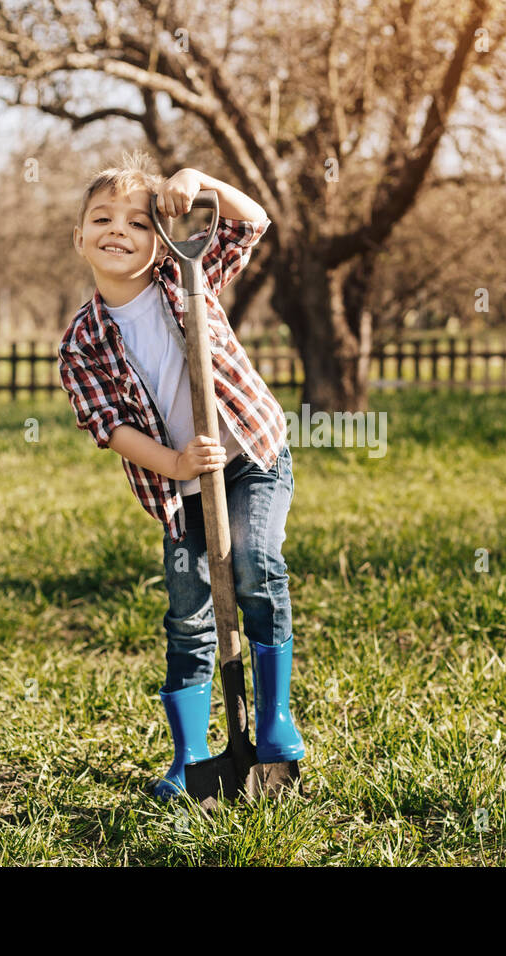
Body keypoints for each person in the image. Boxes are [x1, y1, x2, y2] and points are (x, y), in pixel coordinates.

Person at [57, 148, 305, 799]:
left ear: (163, 234)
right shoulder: (81, 340)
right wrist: (174, 463)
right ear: (78, 235)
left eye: (139, 222)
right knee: (189, 619)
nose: (119, 231)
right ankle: (191, 756)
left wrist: (200, 180)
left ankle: (275, 720)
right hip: (178, 492)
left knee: (255, 561)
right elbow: (107, 425)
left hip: (252, 456)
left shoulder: (184, 276)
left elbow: (252, 224)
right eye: (102, 218)